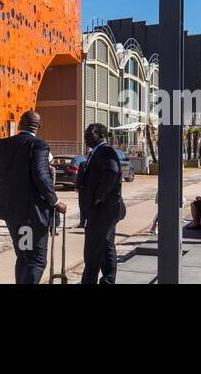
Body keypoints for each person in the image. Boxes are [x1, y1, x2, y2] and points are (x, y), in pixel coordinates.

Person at [0, 109, 65, 284]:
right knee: (35, 261)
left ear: (20, 124)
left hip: (14, 215)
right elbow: (41, 176)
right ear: (39, 127)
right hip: (32, 217)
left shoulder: (2, 144)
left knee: (24, 257)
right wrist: (56, 202)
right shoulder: (38, 145)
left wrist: (3, 198)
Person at [78, 122, 126, 284]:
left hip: (102, 211)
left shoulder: (105, 151)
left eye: (89, 134)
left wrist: (99, 196)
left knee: (92, 252)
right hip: (104, 211)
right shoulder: (96, 152)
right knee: (106, 248)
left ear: (100, 135)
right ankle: (108, 280)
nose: (85, 137)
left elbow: (111, 172)